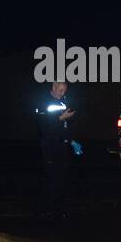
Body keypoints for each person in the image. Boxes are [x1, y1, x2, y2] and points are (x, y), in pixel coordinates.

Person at [35, 81, 79, 217]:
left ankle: (57, 208)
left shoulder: (63, 103)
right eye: (60, 90)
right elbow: (44, 126)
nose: (63, 93)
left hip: (61, 145)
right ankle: (44, 209)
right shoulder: (43, 102)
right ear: (53, 88)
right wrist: (61, 118)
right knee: (51, 177)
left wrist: (71, 141)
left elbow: (65, 126)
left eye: (64, 91)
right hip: (49, 145)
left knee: (61, 177)